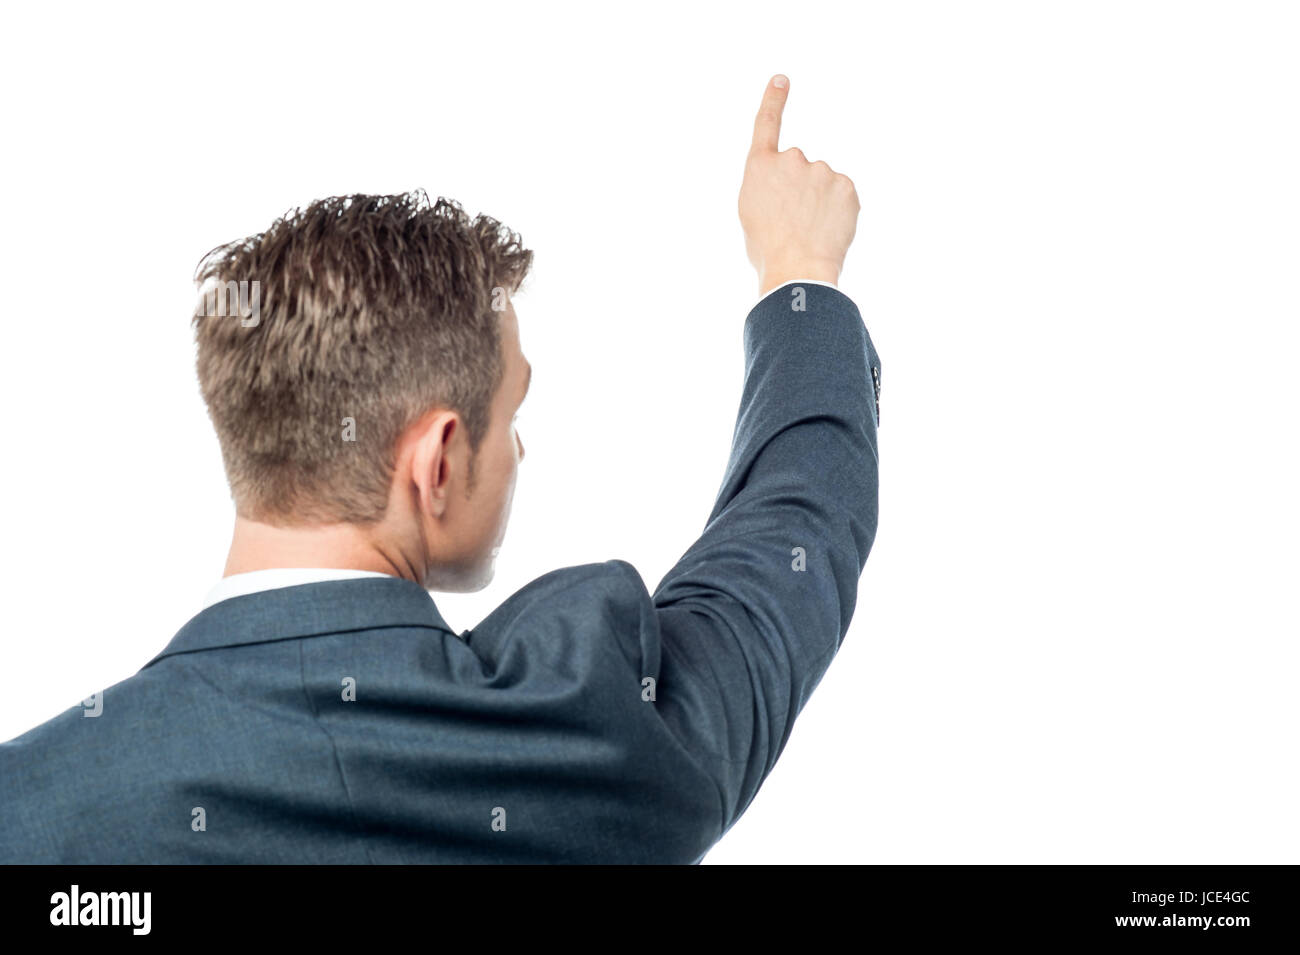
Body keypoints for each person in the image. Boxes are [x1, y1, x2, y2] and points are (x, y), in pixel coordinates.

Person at [0, 75, 881, 863]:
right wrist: (799, 275)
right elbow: (785, 549)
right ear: (438, 459)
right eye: (515, 413)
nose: (521, 449)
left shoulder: (29, 803)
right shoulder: (573, 730)